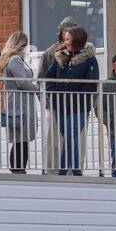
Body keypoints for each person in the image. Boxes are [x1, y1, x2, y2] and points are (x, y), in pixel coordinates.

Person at [43, 26, 98, 176]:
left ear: (76, 40)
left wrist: (77, 98)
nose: (64, 41)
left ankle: (65, 171)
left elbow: (91, 84)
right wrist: (54, 94)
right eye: (64, 38)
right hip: (60, 106)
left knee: (70, 135)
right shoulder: (60, 56)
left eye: (67, 39)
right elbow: (49, 78)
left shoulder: (89, 59)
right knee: (67, 136)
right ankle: (74, 170)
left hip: (79, 107)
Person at [0, 31, 38, 173]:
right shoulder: (15, 60)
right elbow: (22, 82)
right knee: (21, 140)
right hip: (20, 105)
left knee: (21, 140)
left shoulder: (16, 59)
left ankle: (18, 168)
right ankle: (18, 169)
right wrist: (36, 88)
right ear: (22, 45)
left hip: (20, 104)